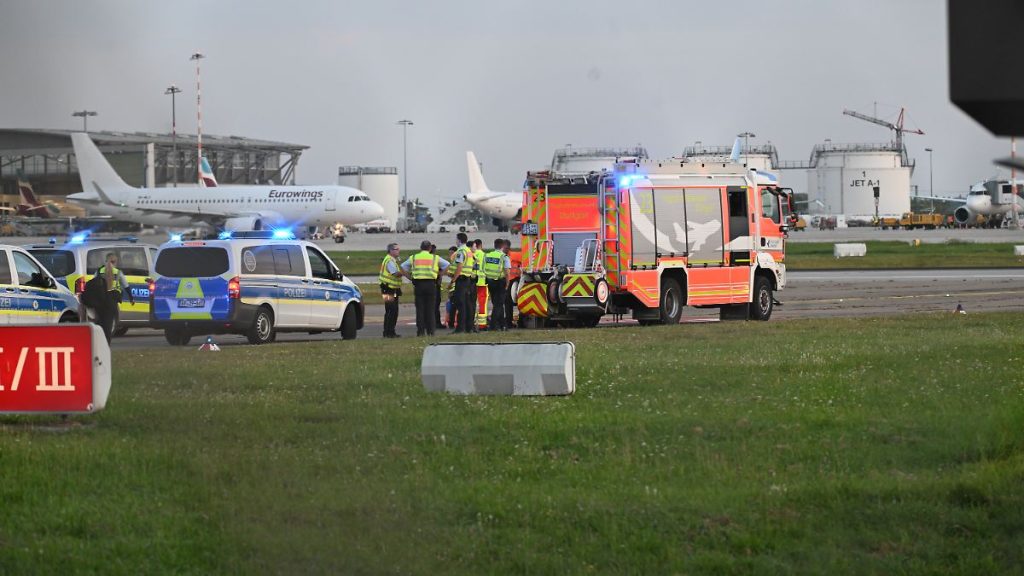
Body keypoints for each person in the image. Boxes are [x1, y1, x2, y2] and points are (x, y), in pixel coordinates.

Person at [401, 240, 449, 336]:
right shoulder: (435, 257)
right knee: (430, 309)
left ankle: (420, 331)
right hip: (431, 284)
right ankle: (431, 331)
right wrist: (439, 275)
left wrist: (410, 277)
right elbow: (447, 265)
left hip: (418, 285)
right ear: (430, 248)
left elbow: (402, 267)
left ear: (420, 248)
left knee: (420, 309)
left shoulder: (414, 257)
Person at [94, 252, 134, 343]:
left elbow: (93, 283)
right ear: (115, 262)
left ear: (105, 261)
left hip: (100, 300)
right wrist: (131, 298)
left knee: (101, 322)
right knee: (109, 323)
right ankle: (106, 342)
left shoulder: (99, 271)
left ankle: (98, 341)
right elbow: (126, 286)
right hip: (112, 300)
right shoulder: (118, 272)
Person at [483, 238, 511, 331]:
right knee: (498, 305)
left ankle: (502, 324)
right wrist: (507, 283)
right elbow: (507, 272)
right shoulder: (504, 257)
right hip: (500, 282)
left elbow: (483, 268)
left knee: (496, 303)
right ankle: (493, 326)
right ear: (502, 246)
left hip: (490, 281)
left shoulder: (488, 255)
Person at [378, 242, 405, 338]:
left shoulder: (392, 260)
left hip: (392, 289)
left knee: (393, 311)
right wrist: (405, 272)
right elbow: (395, 273)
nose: (399, 251)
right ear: (391, 250)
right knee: (390, 310)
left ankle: (391, 331)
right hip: (388, 289)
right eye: (397, 249)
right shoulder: (389, 260)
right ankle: (388, 332)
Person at [450, 232, 475, 334]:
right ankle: (469, 327)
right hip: (468, 280)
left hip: (461, 280)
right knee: (467, 304)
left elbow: (459, 266)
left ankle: (460, 328)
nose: (455, 241)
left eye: (456, 239)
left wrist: (453, 280)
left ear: (459, 240)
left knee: (460, 304)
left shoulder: (461, 251)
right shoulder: (468, 251)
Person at [472, 238, 488, 330]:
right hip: (482, 283)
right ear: (481, 245)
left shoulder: (471, 254)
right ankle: (482, 324)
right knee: (482, 303)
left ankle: (472, 322)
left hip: (472, 282)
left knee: (472, 303)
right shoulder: (484, 255)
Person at [501, 238, 516, 329]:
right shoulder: (501, 256)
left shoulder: (514, 256)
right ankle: (505, 321)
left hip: (511, 281)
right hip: (502, 281)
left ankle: (508, 321)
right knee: (503, 303)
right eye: (503, 248)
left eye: (506, 248)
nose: (504, 249)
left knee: (508, 303)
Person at [430, 244, 443, 329]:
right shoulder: (436, 259)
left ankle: (429, 323)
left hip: (426, 284)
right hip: (435, 284)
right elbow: (443, 269)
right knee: (435, 305)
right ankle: (436, 323)